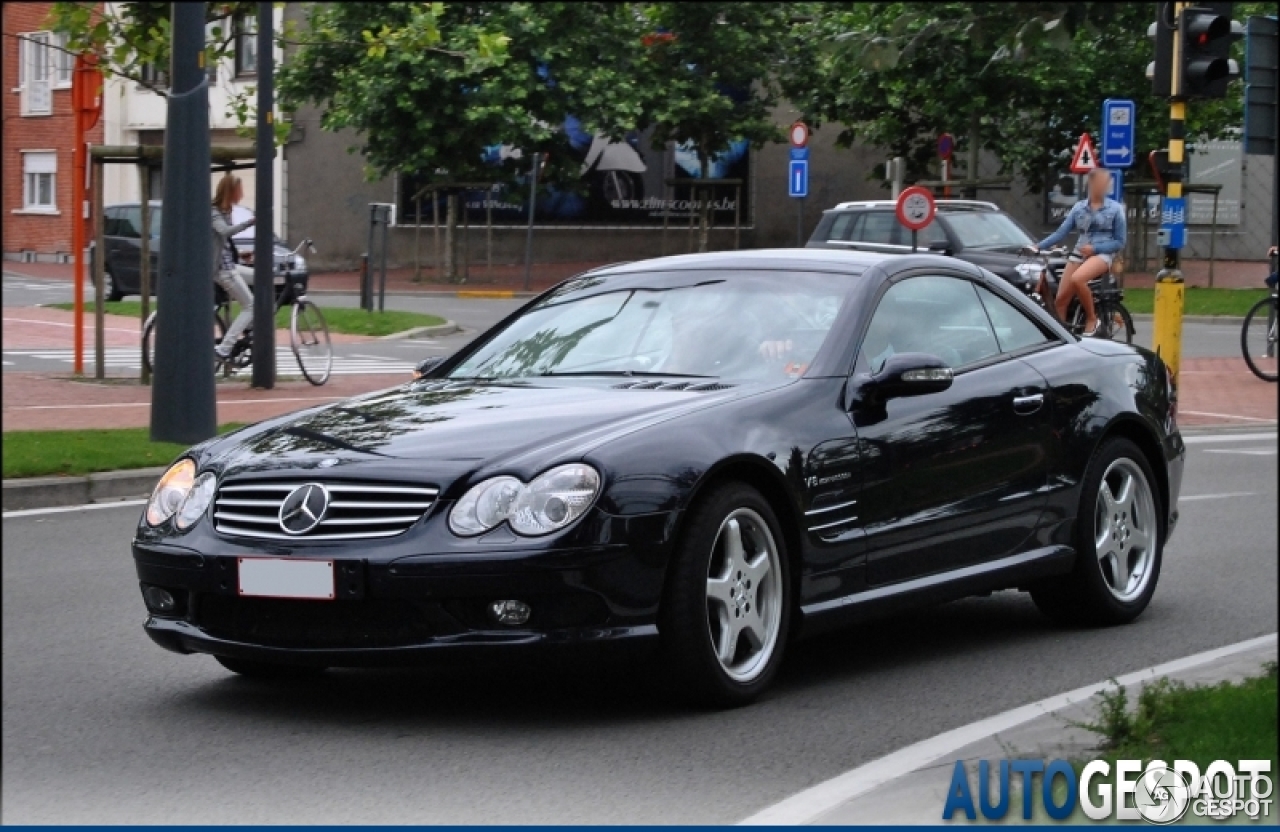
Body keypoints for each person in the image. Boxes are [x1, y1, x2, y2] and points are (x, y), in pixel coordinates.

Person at [1033, 167, 1127, 336]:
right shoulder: (1079, 208)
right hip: (1078, 254)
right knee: (1060, 301)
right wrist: (1038, 246)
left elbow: (1120, 242)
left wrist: (1096, 249)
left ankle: (1092, 318)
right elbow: (1061, 233)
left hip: (1102, 255)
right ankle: (1061, 339)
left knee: (1078, 279)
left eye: (1104, 182)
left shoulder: (1115, 209)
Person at [211, 174, 256, 359]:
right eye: (239, 190)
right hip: (223, 270)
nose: (242, 194)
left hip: (230, 264)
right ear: (231, 191)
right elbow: (224, 231)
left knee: (262, 279)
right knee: (250, 306)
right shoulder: (214, 212)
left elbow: (223, 242)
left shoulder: (227, 210)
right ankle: (225, 348)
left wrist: (240, 252)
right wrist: (250, 222)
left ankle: (249, 329)